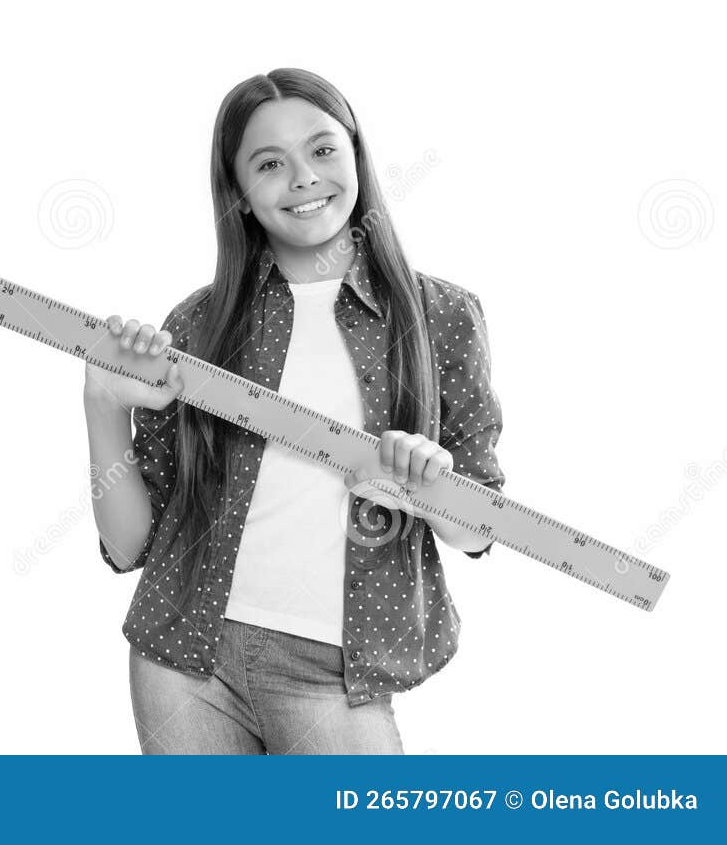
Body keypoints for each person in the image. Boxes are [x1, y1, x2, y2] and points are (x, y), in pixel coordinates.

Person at [83, 68, 505, 754]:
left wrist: (434, 490)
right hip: (185, 663)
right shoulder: (195, 325)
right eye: (269, 163)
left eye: (323, 149)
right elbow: (131, 545)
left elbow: (481, 528)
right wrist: (103, 404)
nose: (304, 177)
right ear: (241, 194)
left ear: (358, 157)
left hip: (336, 677)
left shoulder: (441, 317)